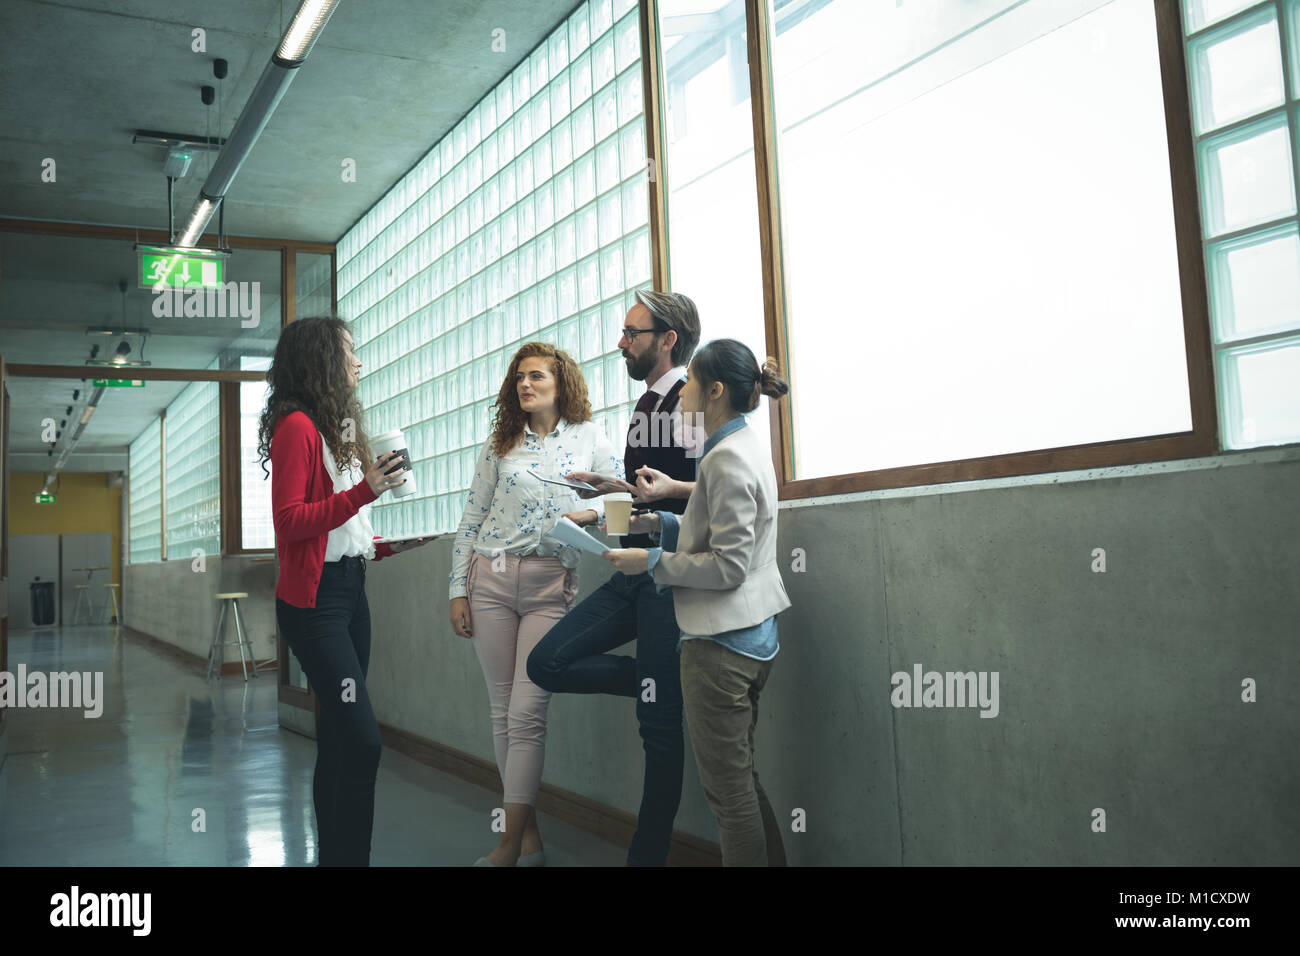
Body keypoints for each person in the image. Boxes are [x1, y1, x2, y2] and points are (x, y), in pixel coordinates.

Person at [527, 289, 703, 866]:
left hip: (665, 576)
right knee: (545, 662)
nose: (620, 343)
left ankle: (644, 858)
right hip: (629, 571)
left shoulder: (691, 401)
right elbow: (643, 501)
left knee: (657, 730)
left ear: (667, 340)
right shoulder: (642, 408)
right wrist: (607, 499)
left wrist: (635, 505)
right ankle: (657, 683)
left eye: (632, 333)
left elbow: (711, 498)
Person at [602, 339, 791, 866]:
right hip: (753, 637)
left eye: (690, 381)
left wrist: (654, 562)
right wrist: (658, 521)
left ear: (714, 390)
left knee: (729, 798)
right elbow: (719, 531)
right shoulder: (740, 444)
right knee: (742, 782)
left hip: (721, 648)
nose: (681, 389)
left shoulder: (726, 457)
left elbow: (728, 566)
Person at [259, 315, 432, 867]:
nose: (358, 362)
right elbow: (289, 522)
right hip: (315, 606)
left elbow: (334, 530)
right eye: (348, 353)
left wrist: (376, 543)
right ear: (321, 361)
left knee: (337, 737)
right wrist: (365, 489)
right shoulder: (296, 428)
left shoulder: (332, 428)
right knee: (362, 741)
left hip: (350, 592)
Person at [449, 342, 623, 867]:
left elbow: (621, 501)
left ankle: (508, 843)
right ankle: (528, 839)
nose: (525, 385)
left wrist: (586, 516)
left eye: (537, 377)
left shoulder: (591, 437)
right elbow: (471, 519)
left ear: (560, 382)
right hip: (491, 579)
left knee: (528, 713)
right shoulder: (501, 443)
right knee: (503, 713)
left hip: (552, 582)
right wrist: (457, 588)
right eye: (520, 378)